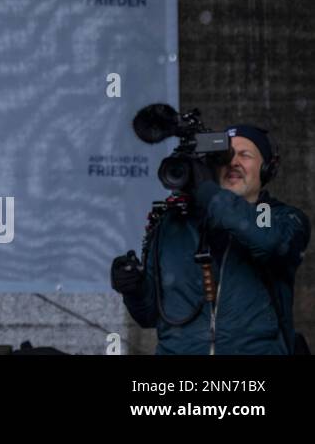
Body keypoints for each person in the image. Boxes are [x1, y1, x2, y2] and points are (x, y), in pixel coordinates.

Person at [112, 124, 310, 354]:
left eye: (245, 155)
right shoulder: (172, 222)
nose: (233, 162)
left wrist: (209, 193)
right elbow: (148, 316)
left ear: (266, 168)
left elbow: (268, 241)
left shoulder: (276, 215)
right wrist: (133, 289)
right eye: (225, 155)